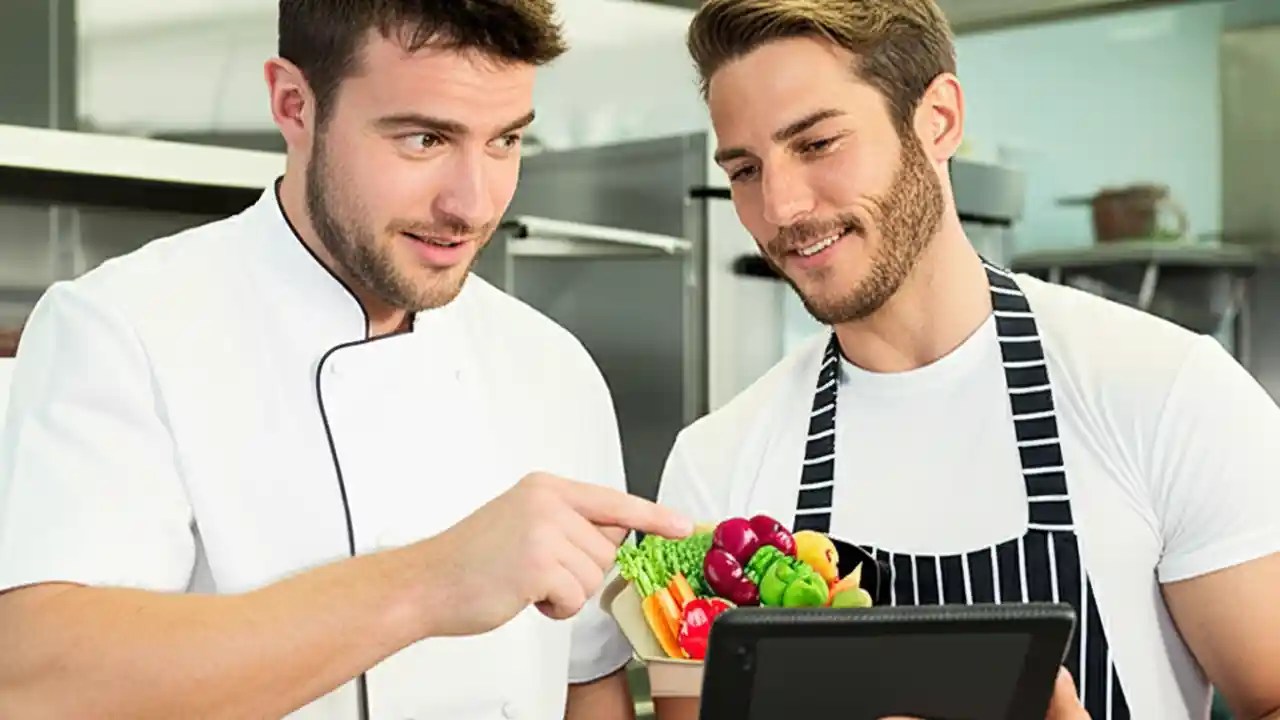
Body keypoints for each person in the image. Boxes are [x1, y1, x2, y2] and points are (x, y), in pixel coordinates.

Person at [0, 2, 692, 718]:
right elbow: (39, 680)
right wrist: (434, 582)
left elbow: (587, 683)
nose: (473, 203)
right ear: (294, 105)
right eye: (425, 139)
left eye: (506, 141)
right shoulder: (122, 330)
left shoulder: (554, 367)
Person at [652, 1, 1280, 719]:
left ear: (939, 119)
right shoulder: (717, 464)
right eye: (744, 170)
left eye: (819, 143)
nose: (782, 206)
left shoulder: (1165, 392)